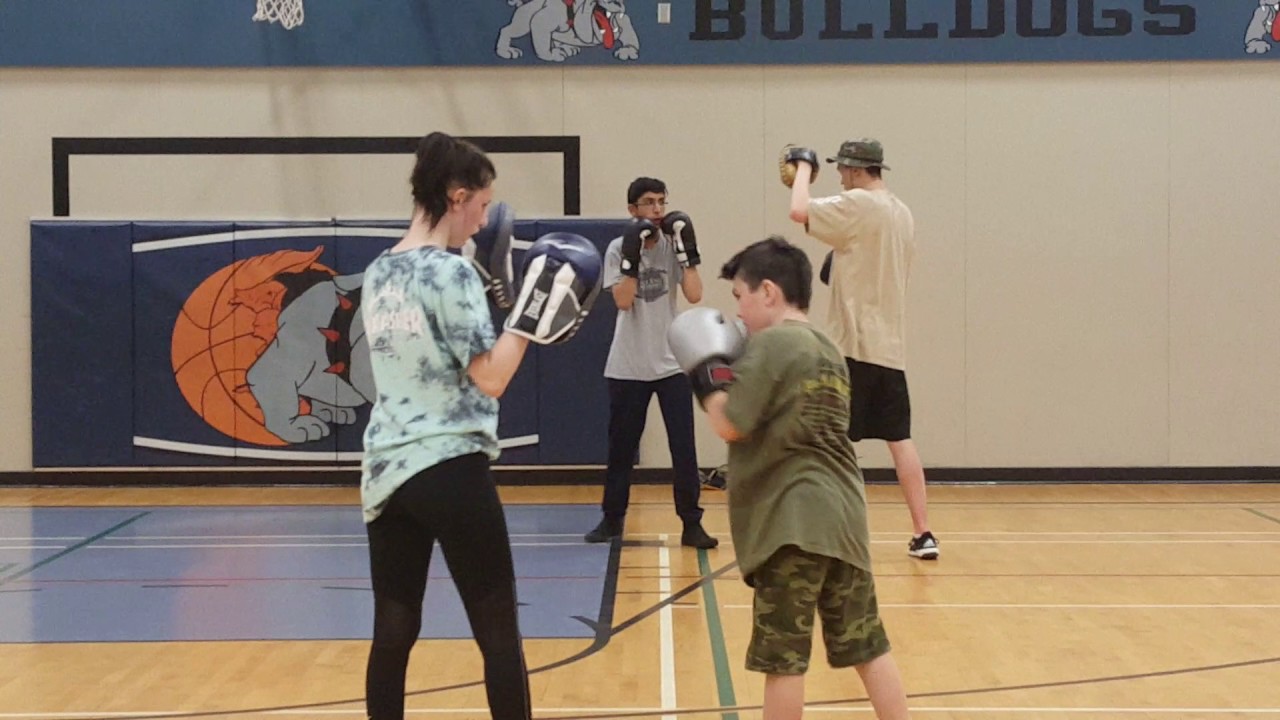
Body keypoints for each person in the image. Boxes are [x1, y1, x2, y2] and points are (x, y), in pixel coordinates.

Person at [359, 131, 601, 720]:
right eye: (484, 205)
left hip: (387, 472)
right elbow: (490, 378)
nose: (485, 220)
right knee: (497, 629)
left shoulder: (377, 271)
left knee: (393, 628)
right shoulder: (451, 274)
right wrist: (524, 319)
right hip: (450, 468)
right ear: (457, 195)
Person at [667, 236, 912, 720]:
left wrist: (705, 371)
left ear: (769, 293)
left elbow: (730, 421)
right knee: (867, 646)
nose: (738, 312)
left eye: (740, 297)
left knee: (783, 660)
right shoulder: (827, 349)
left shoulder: (774, 343)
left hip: (792, 525)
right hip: (843, 521)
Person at [780, 138, 938, 560]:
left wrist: (802, 173)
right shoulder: (901, 212)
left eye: (840, 170)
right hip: (890, 346)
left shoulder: (858, 205)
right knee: (900, 438)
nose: (838, 177)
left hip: (852, 344)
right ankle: (924, 533)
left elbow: (800, 211)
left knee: (828, 438)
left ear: (853, 170)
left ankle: (827, 528)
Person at [583, 176, 718, 549]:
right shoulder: (616, 248)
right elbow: (624, 301)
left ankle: (692, 524)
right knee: (621, 448)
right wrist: (632, 255)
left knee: (683, 447)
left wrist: (687, 252)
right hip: (627, 364)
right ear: (633, 210)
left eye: (661, 201)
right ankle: (612, 520)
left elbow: (694, 294)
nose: (657, 209)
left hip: (671, 363)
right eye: (648, 202)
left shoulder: (672, 245)